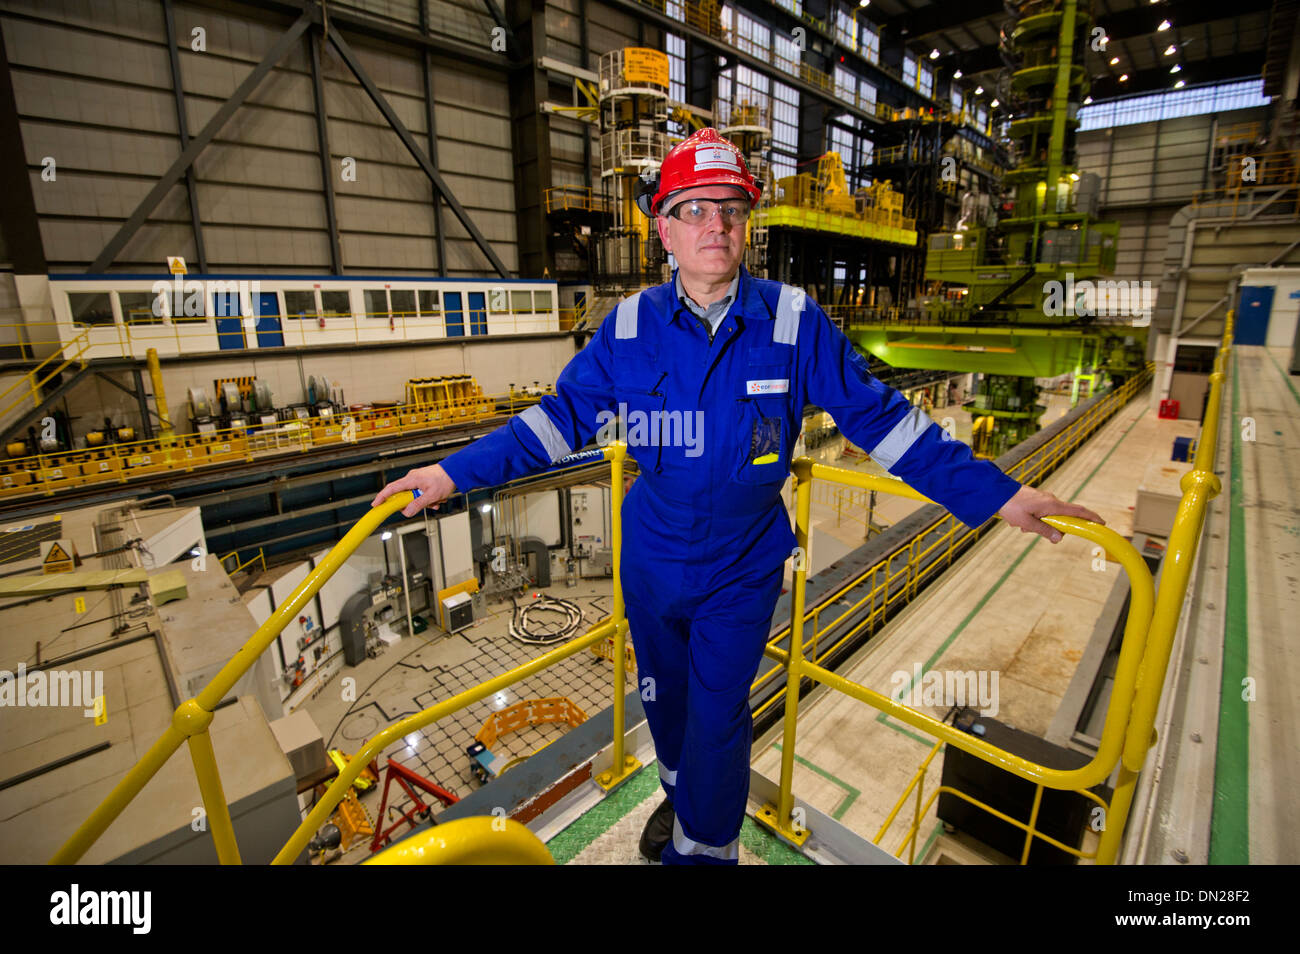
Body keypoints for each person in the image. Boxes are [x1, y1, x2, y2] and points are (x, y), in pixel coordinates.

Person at [371, 128, 1104, 865]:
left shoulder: (791, 321)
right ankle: (679, 798)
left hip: (742, 563)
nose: (713, 225)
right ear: (664, 228)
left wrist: (997, 492)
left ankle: (705, 851)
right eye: (693, 209)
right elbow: (557, 420)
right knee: (664, 704)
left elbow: (881, 419)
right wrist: (451, 474)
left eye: (729, 208)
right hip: (652, 559)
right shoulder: (628, 326)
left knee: (719, 717)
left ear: (746, 222)